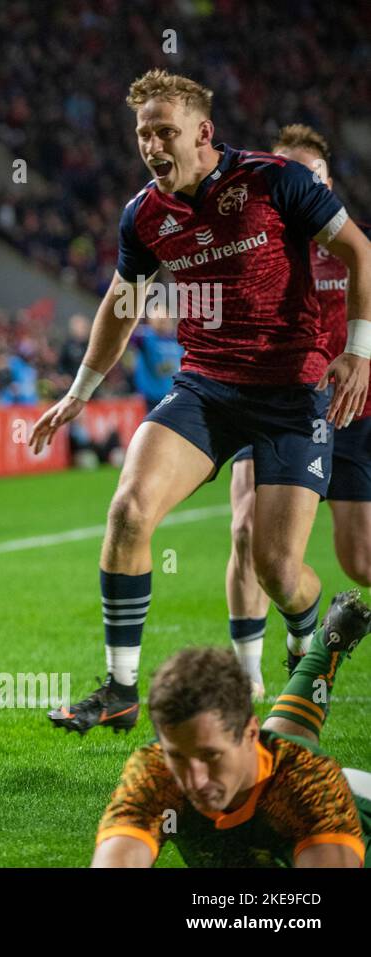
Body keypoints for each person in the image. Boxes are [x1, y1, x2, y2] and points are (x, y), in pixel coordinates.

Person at [31, 70, 371, 735]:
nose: (152, 145)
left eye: (165, 131)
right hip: (205, 388)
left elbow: (359, 250)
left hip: (289, 392)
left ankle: (316, 634)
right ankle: (121, 688)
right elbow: (122, 303)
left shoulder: (274, 181)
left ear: (202, 132)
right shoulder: (145, 215)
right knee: (129, 509)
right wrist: (78, 393)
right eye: (142, 133)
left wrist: (359, 350)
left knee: (276, 567)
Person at [226, 124, 371, 700]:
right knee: (244, 531)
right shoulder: (252, 251)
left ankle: (308, 635)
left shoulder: (357, 246)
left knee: (359, 560)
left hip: (352, 411)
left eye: (310, 177)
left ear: (328, 184)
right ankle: (247, 674)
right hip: (274, 401)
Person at [92, 592, 371, 867]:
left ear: (252, 733)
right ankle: (326, 648)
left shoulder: (312, 785)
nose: (194, 781)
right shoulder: (155, 771)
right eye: (177, 757)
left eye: (211, 756)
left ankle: (326, 651)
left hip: (358, 802)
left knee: (287, 767)